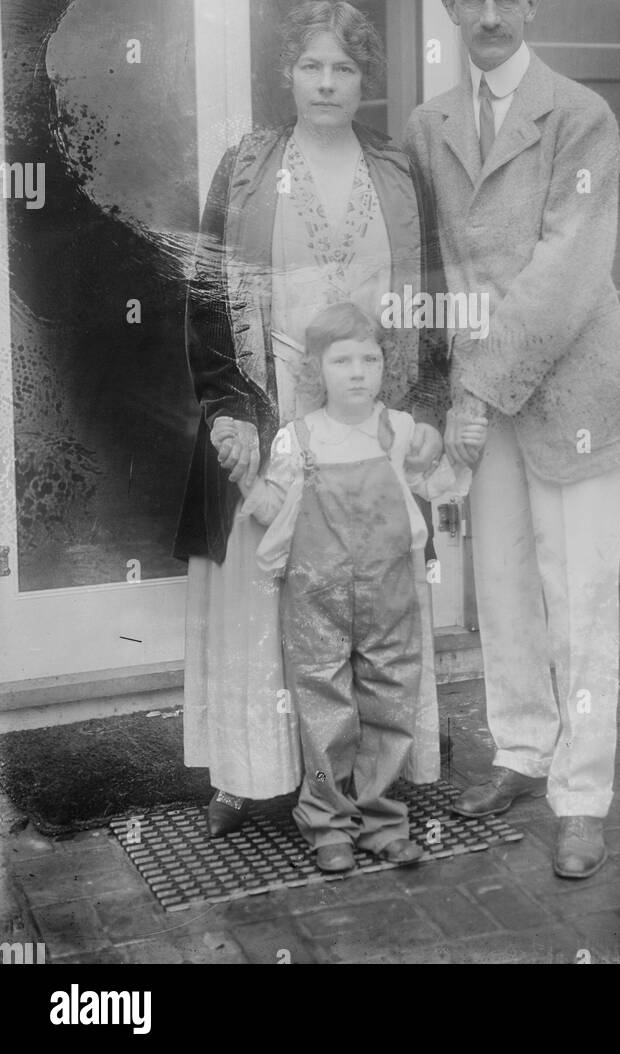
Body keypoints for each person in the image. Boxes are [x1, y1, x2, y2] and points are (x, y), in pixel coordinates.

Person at [403, 0, 620, 880]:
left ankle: (581, 796)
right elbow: (435, 268)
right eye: (474, 0)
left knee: (580, 602)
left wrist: (476, 387)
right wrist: (448, 398)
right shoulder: (431, 127)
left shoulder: (580, 116)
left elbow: (565, 275)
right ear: (451, 9)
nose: (492, 16)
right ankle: (520, 749)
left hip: (573, 394)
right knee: (501, 587)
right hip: (481, 406)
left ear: (532, 5)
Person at [174, 0, 445, 838]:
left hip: (367, 406)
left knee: (365, 593)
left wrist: (425, 404)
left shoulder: (397, 173)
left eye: (344, 69)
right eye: (310, 67)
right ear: (286, 74)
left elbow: (426, 300)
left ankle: (371, 775)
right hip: (270, 400)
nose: (326, 83)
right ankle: (251, 771)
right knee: (266, 583)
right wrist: (228, 407)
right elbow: (207, 291)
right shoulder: (249, 167)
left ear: (365, 81)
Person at [237, 302, 482, 873]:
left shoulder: (400, 430)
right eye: (341, 359)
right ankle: (327, 822)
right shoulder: (297, 438)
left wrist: (463, 452)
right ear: (315, 370)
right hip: (316, 594)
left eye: (369, 358)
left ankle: (381, 818)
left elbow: (438, 483)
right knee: (325, 708)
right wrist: (246, 479)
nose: (357, 372)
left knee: (390, 698)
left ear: (384, 367)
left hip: (389, 589)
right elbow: (272, 509)